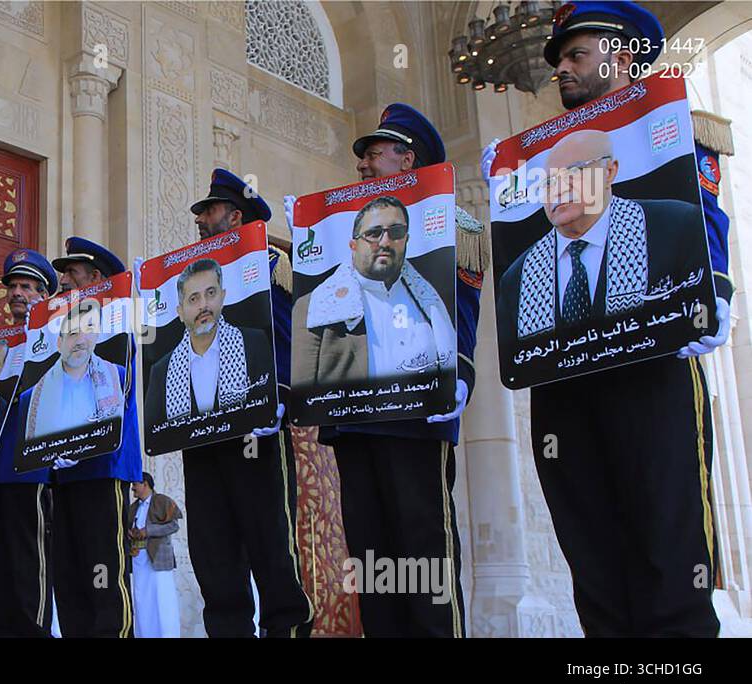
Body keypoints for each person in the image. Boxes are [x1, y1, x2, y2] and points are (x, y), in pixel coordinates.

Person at [479, 0, 729, 637]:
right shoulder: (534, 191)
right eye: (559, 58)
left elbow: (702, 215)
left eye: (575, 55)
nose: (561, 68)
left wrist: (714, 291)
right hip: (566, 389)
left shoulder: (672, 128)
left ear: (622, 57)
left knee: (667, 546)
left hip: (652, 369)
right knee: (591, 550)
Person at [287, 103, 486, 637]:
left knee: (423, 550)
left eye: (374, 153)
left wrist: (460, 372)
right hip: (354, 418)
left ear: (408, 158)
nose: (363, 165)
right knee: (371, 561)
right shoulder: (341, 234)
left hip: (415, 412)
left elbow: (461, 309)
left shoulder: (450, 224)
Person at [168, 169, 314, 637]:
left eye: (207, 211)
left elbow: (287, 336)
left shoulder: (268, 263)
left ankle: (287, 629)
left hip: (257, 429)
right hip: (203, 434)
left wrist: (279, 397)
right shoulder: (187, 283)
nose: (199, 219)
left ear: (233, 216)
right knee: (213, 551)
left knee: (271, 541)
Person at [497, 129, 705, 347]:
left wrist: (710, 313)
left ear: (609, 171)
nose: (558, 190)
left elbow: (701, 301)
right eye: (548, 183)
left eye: (574, 171)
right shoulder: (518, 277)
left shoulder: (674, 225)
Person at [40, 238, 140, 637]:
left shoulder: (115, 329)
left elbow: (117, 392)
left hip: (102, 467)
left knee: (105, 576)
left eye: (71, 274)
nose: (62, 281)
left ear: (96, 280)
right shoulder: (58, 333)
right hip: (63, 472)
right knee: (70, 577)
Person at [0, 249, 58, 637]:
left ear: (43, 293)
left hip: (31, 467)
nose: (17, 293)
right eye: (13, 287)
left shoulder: (56, 337)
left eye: (26, 286)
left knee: (28, 568)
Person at [293, 195, 457, 386]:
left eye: (396, 232)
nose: (385, 242)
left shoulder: (430, 303)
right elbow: (302, 393)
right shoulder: (314, 307)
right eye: (373, 233)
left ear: (406, 239)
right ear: (353, 246)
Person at [143, 256, 275, 430]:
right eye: (193, 299)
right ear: (180, 312)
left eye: (210, 293)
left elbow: (268, 400)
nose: (203, 305)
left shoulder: (254, 343)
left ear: (222, 297)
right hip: (198, 456)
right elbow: (155, 432)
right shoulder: (162, 371)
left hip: (252, 450)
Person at [20, 298, 123, 441]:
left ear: (97, 334)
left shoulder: (118, 377)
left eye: (89, 330)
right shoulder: (31, 398)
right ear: (59, 342)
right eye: (73, 333)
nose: (80, 341)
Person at [128, 472, 182, 638]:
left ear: (145, 484)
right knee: (142, 601)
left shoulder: (162, 501)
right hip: (138, 559)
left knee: (162, 601)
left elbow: (173, 526)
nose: (132, 489)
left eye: (135, 485)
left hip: (158, 559)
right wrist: (130, 533)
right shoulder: (133, 508)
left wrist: (148, 531)